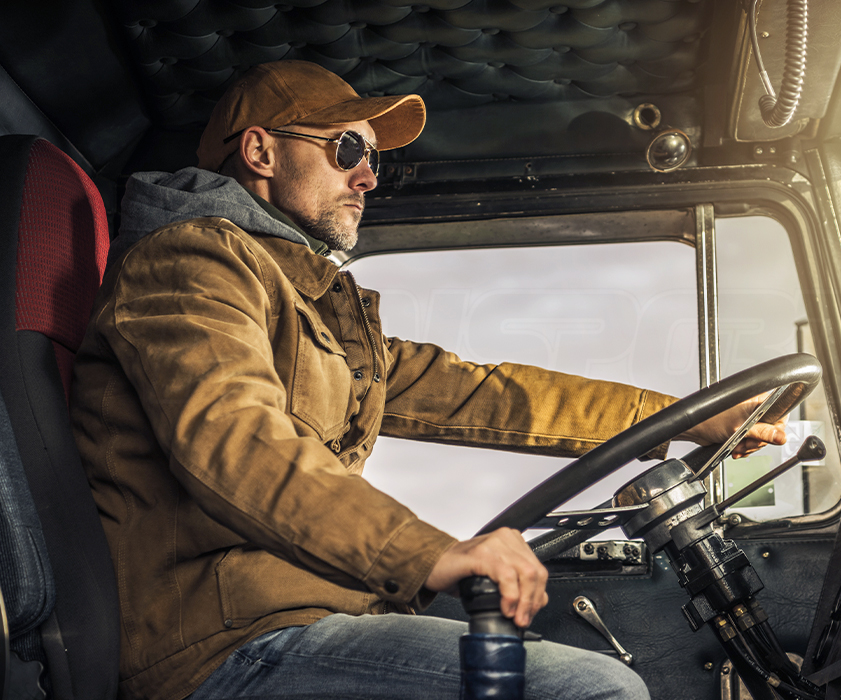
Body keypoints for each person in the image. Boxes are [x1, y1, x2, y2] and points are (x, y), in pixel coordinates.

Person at [71, 60, 788, 700]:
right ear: (260, 150)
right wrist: (431, 552)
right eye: (346, 148)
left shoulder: (315, 306)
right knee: (592, 690)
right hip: (222, 645)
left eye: (374, 158)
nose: (367, 176)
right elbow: (233, 441)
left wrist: (695, 416)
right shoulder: (190, 265)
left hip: (319, 610)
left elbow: (485, 394)